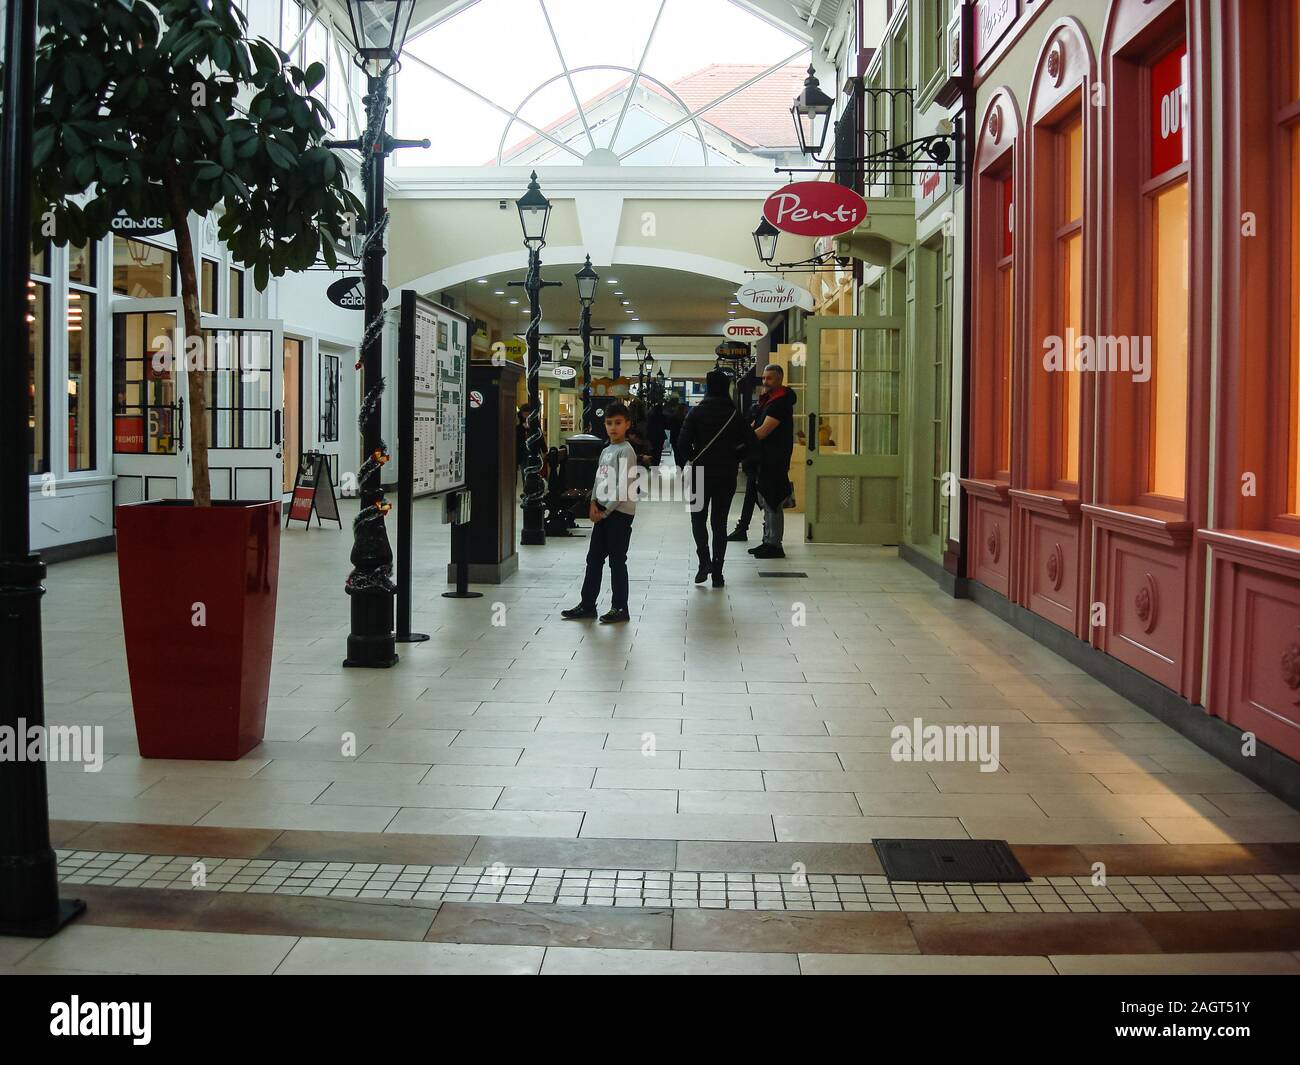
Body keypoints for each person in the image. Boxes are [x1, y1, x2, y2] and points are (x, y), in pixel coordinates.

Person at [675, 369, 754, 588]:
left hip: (700, 473)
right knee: (719, 523)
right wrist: (734, 457)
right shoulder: (734, 414)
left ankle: (704, 562)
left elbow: (681, 444)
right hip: (726, 474)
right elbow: (752, 443)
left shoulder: (696, 412)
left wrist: (694, 457)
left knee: (698, 519)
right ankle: (718, 572)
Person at [562, 402, 639, 624]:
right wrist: (593, 502)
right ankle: (587, 604)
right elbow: (600, 478)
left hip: (620, 514)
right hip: (603, 510)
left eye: (618, 423)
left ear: (627, 425)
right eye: (609, 423)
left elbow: (624, 486)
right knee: (594, 559)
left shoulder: (626, 451)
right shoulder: (606, 450)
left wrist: (606, 512)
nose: (613, 428)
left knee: (617, 560)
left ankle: (620, 607)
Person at [749, 363, 796, 559]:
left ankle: (775, 544)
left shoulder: (779, 403)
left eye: (769, 378)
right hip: (765, 458)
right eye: (764, 378)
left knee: (772, 500)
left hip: (774, 460)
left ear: (779, 379)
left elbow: (763, 431)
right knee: (766, 500)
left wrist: (742, 441)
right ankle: (768, 540)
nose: (765, 382)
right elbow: (755, 425)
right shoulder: (769, 401)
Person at [727, 385, 766, 542]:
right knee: (753, 495)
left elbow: (753, 432)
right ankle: (745, 527)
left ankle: (745, 527)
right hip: (754, 459)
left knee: (757, 496)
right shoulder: (759, 410)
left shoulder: (761, 410)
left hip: (756, 459)